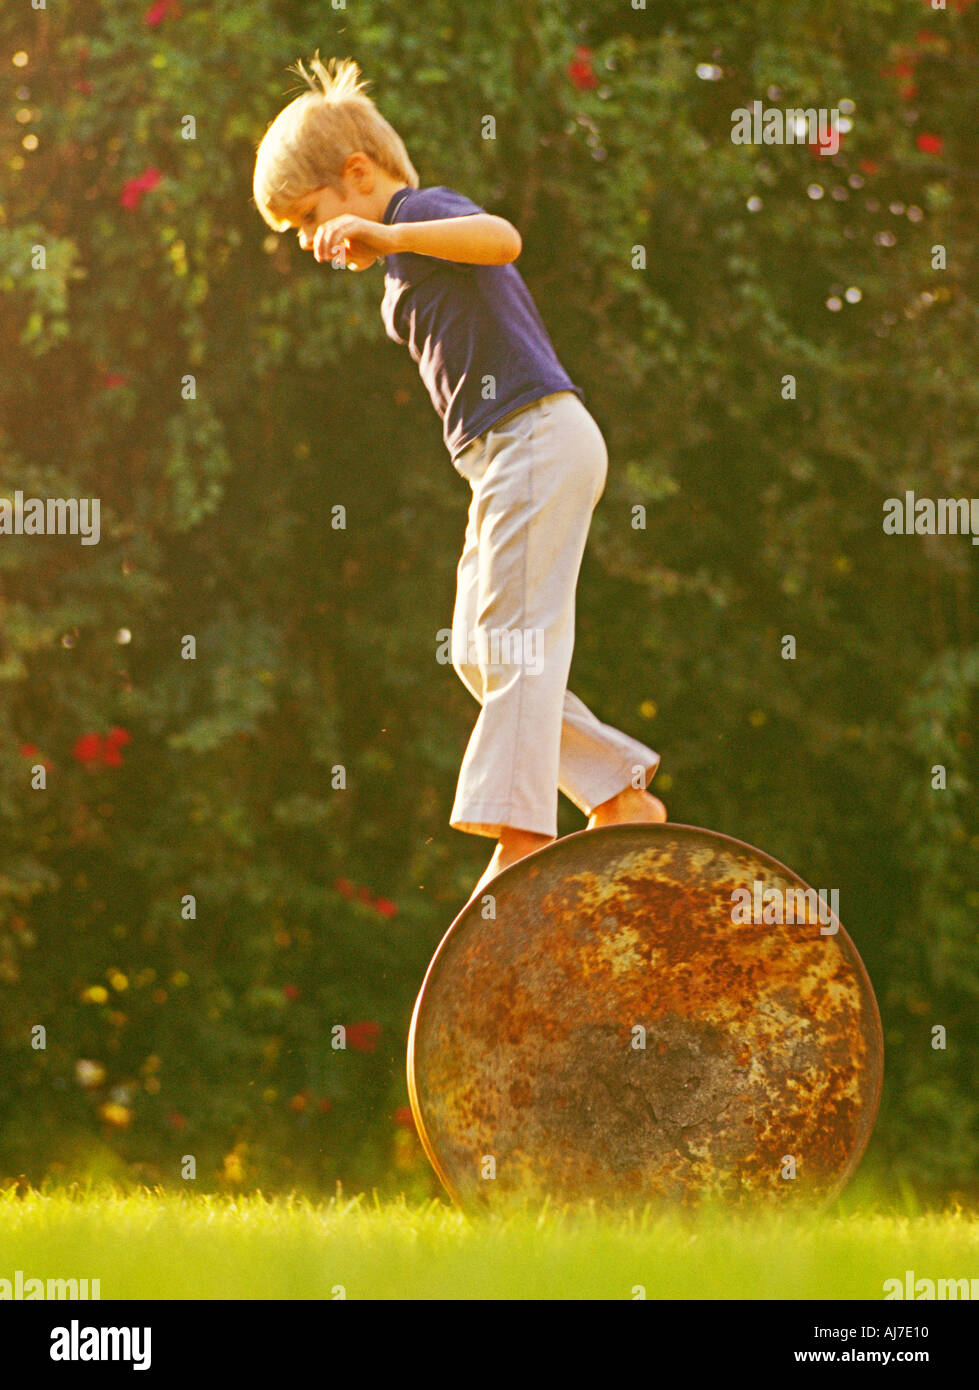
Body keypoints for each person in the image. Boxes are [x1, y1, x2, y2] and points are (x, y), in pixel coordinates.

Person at [253, 54, 666, 903]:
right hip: (505, 458)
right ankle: (618, 793)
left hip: (536, 436)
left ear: (358, 176)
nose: (309, 240)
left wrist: (392, 232)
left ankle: (520, 835)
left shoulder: (420, 215)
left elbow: (503, 238)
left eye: (309, 216)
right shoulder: (398, 269)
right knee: (480, 651)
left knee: (515, 637)